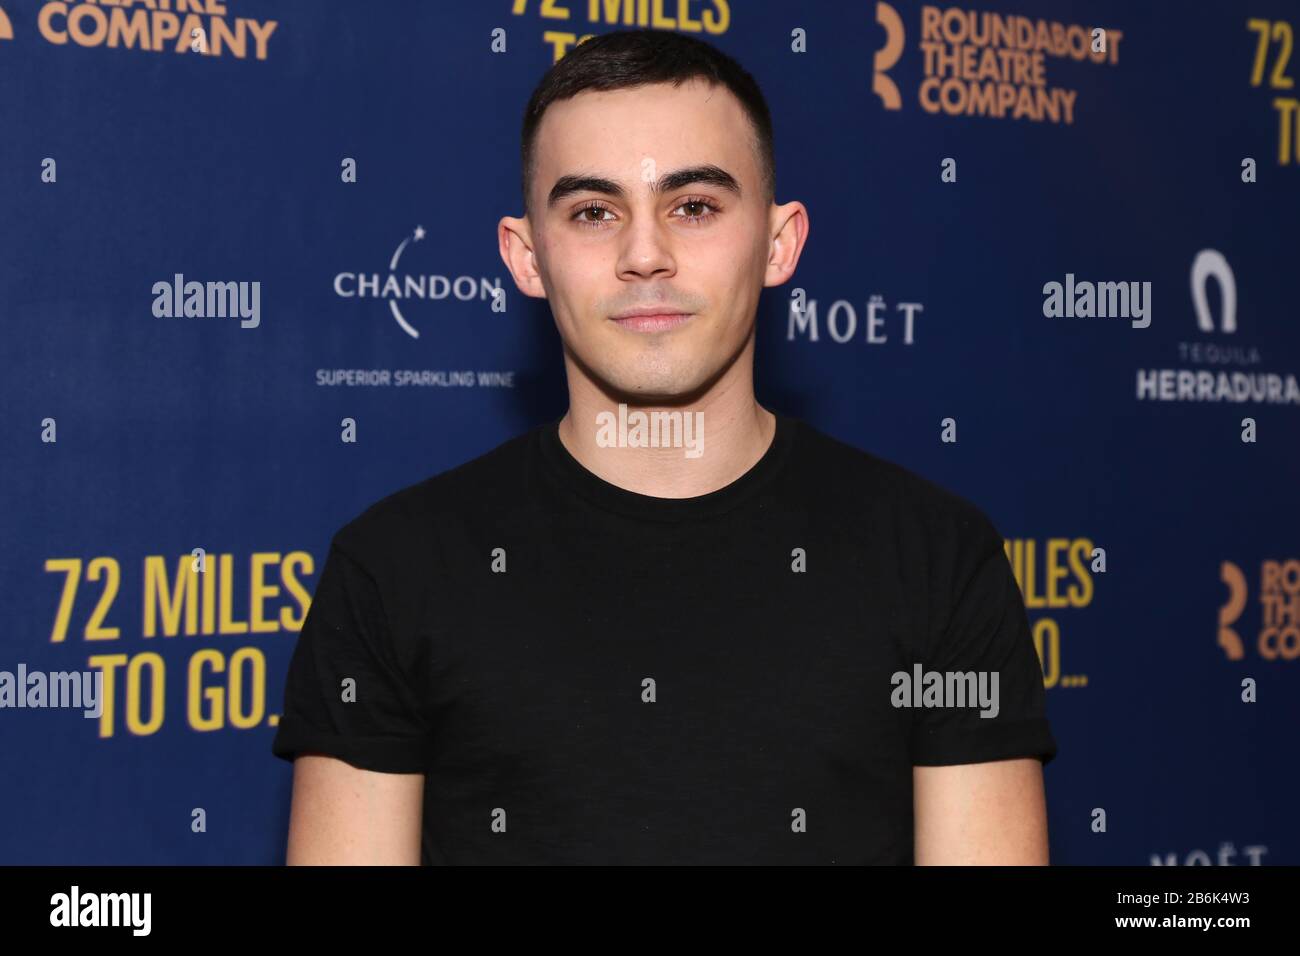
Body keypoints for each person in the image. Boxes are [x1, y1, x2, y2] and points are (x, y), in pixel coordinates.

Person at [271, 28, 1056, 865]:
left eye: (694, 206)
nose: (645, 255)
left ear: (780, 243)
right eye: (593, 213)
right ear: (526, 256)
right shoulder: (394, 569)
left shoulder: (935, 559)